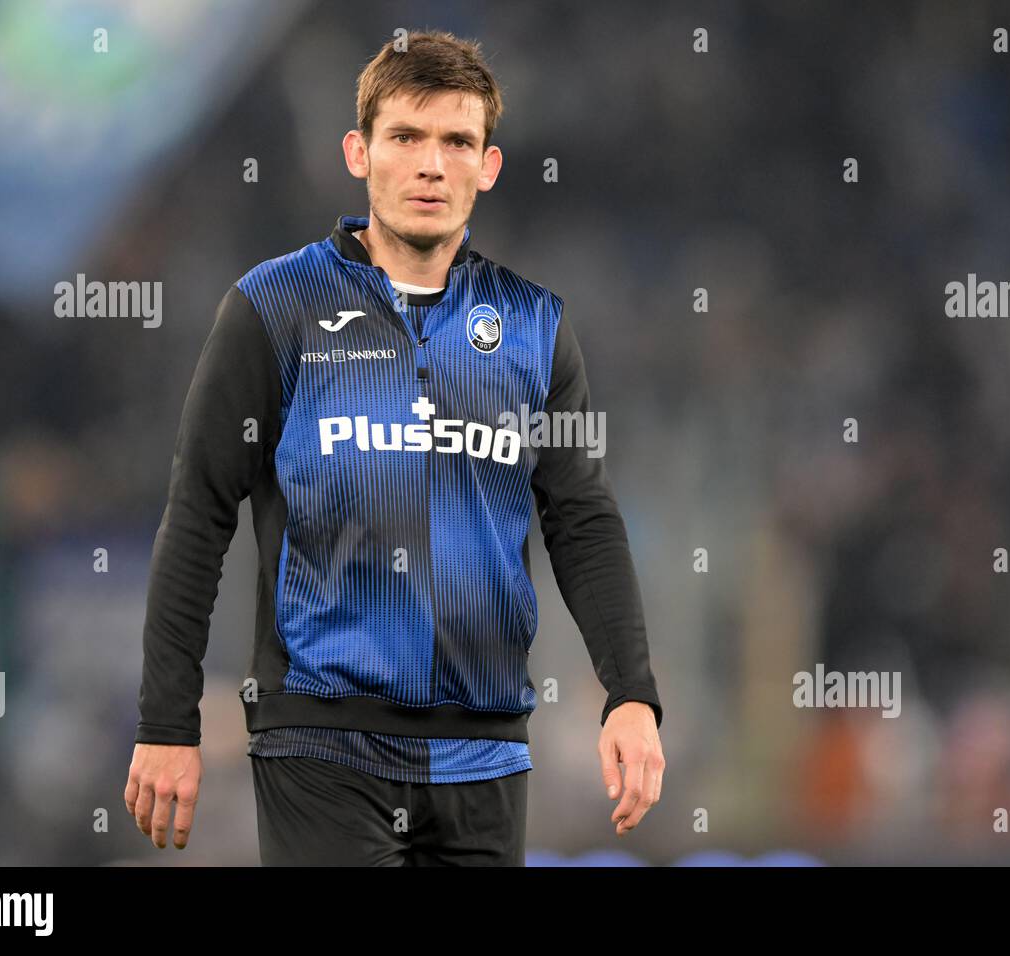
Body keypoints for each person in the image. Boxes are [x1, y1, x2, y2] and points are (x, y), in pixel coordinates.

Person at [124, 29, 664, 865]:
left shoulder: (535, 328)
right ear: (358, 152)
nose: (431, 165)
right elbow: (197, 515)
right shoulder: (274, 308)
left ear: (488, 166)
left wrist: (631, 695)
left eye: (457, 142)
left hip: (487, 754)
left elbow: (583, 520)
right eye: (406, 137)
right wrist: (168, 723)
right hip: (319, 745)